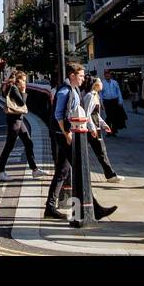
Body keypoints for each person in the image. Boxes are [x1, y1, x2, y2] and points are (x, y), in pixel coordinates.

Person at [44, 62, 116, 221]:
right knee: (80, 170)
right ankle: (94, 209)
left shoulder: (74, 89)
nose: (84, 78)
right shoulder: (64, 91)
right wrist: (67, 134)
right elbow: (58, 115)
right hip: (64, 136)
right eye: (81, 75)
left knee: (62, 171)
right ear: (72, 75)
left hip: (66, 135)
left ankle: (49, 207)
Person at [0, 71, 42, 181]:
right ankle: (0, 170)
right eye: (24, 80)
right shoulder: (14, 89)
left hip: (18, 119)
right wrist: (24, 91)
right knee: (9, 145)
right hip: (15, 120)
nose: (25, 83)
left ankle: (34, 169)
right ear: (18, 80)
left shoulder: (12, 87)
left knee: (28, 142)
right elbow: (22, 103)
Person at [83, 76, 123, 181]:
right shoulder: (90, 96)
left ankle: (110, 174)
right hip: (92, 128)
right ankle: (110, 175)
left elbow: (96, 114)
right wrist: (92, 128)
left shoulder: (96, 95)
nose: (102, 84)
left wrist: (103, 124)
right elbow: (87, 114)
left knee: (101, 151)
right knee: (101, 151)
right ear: (95, 84)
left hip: (95, 127)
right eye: (100, 82)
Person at [101, 69, 127, 134]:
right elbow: (100, 94)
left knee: (115, 116)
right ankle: (108, 131)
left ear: (110, 75)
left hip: (115, 101)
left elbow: (118, 92)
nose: (107, 75)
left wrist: (120, 101)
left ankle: (114, 131)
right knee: (109, 117)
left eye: (108, 73)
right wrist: (101, 103)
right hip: (107, 102)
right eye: (106, 74)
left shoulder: (115, 82)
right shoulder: (102, 83)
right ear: (104, 75)